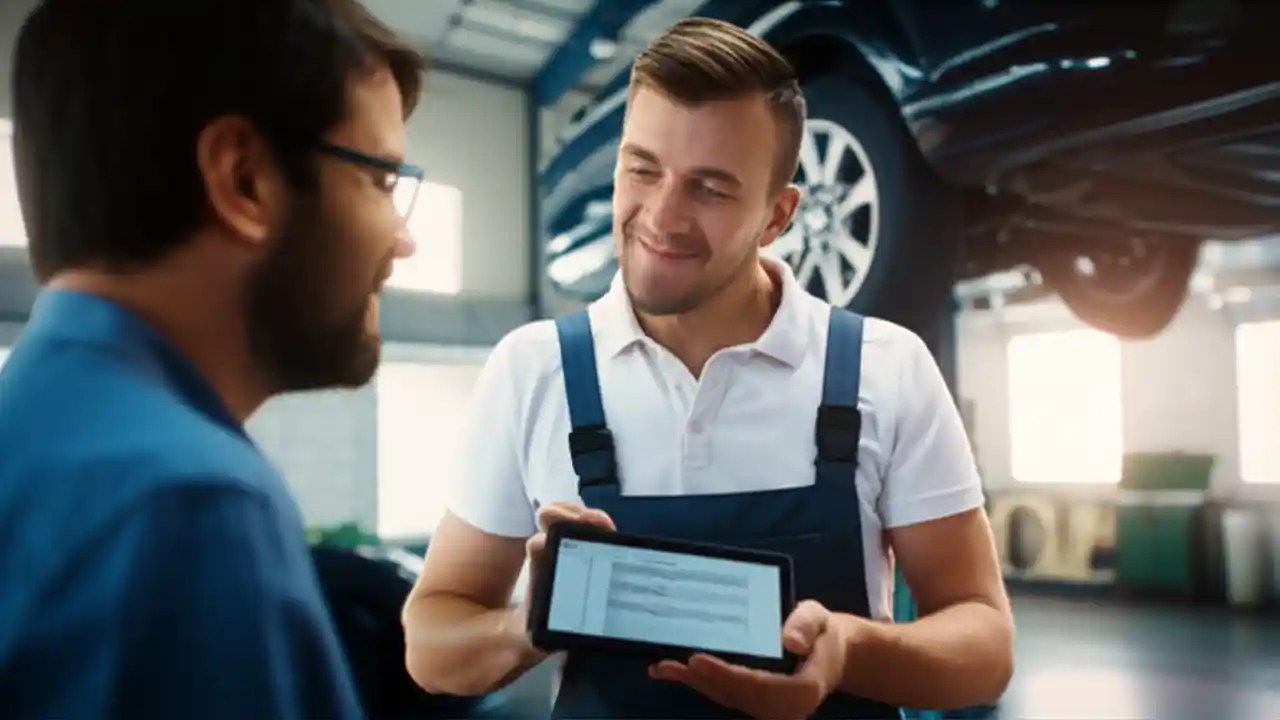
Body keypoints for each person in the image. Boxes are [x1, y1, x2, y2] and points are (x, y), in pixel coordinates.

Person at [403, 16, 1014, 720]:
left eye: (711, 188)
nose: (661, 215)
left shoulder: (885, 368)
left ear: (777, 216)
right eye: (642, 168)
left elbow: (985, 643)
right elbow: (432, 642)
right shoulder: (533, 370)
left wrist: (850, 650)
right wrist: (528, 622)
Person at [0, 0, 425, 717]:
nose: (403, 241)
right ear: (244, 180)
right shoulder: (189, 504)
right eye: (381, 181)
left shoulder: (35, 431)